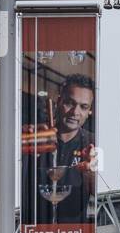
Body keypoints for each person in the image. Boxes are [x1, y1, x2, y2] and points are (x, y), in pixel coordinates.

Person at [21, 72, 96, 224]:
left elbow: (100, 192)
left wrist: (89, 173)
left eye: (83, 107)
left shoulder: (94, 143)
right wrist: (21, 143)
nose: (75, 112)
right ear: (59, 101)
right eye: (70, 103)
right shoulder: (37, 135)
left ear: (89, 112)